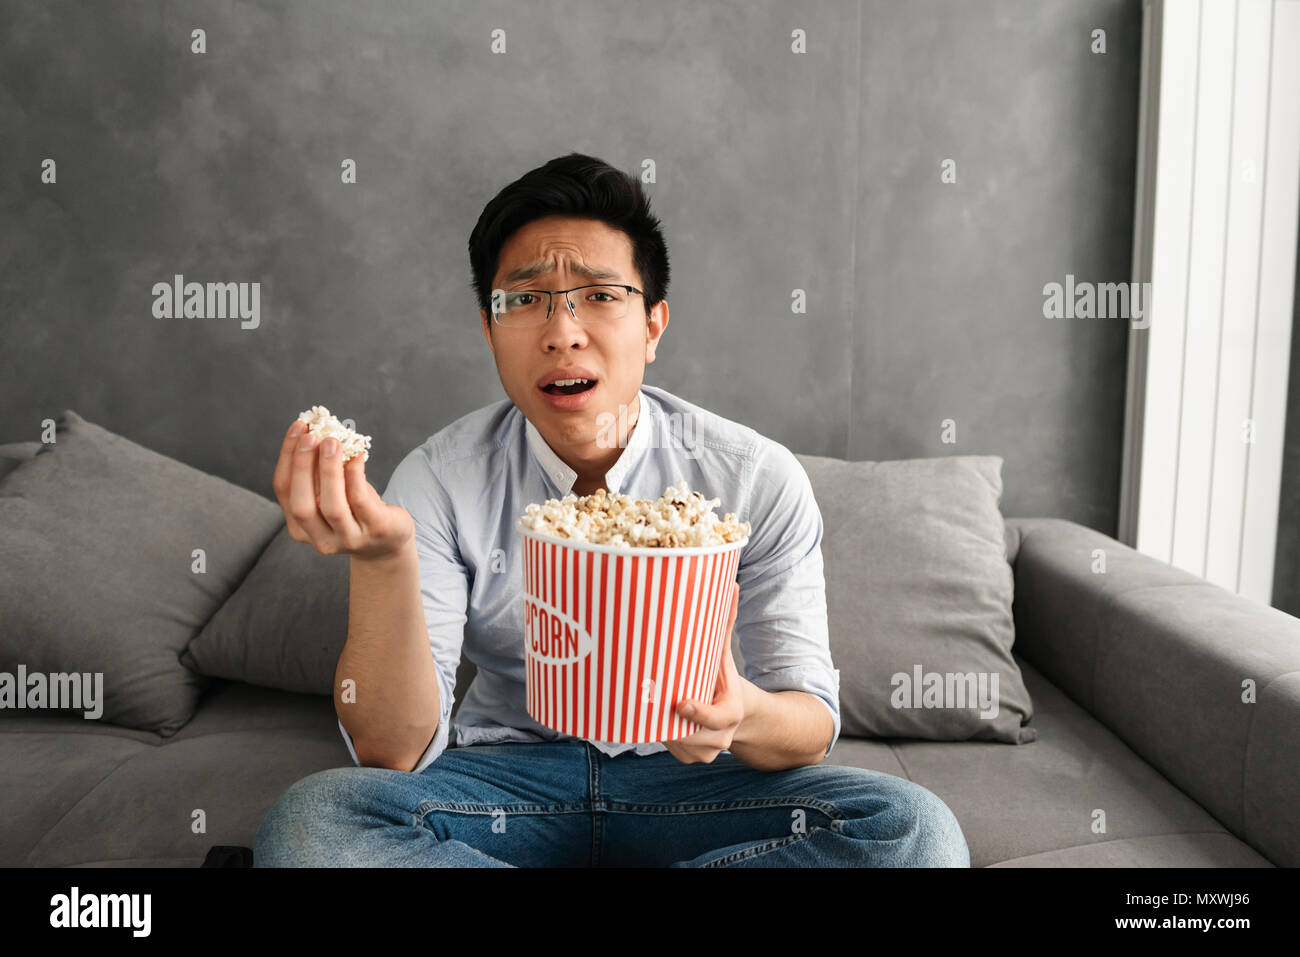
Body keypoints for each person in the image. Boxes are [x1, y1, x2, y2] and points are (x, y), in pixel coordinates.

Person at [253, 153, 970, 867]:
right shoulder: (439, 479)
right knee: (314, 823)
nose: (562, 330)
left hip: (697, 779)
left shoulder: (754, 476)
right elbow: (394, 751)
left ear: (653, 325)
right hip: (505, 784)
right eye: (526, 299)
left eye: (599, 295)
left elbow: (808, 723)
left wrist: (740, 714)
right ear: (488, 328)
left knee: (911, 833)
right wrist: (383, 560)